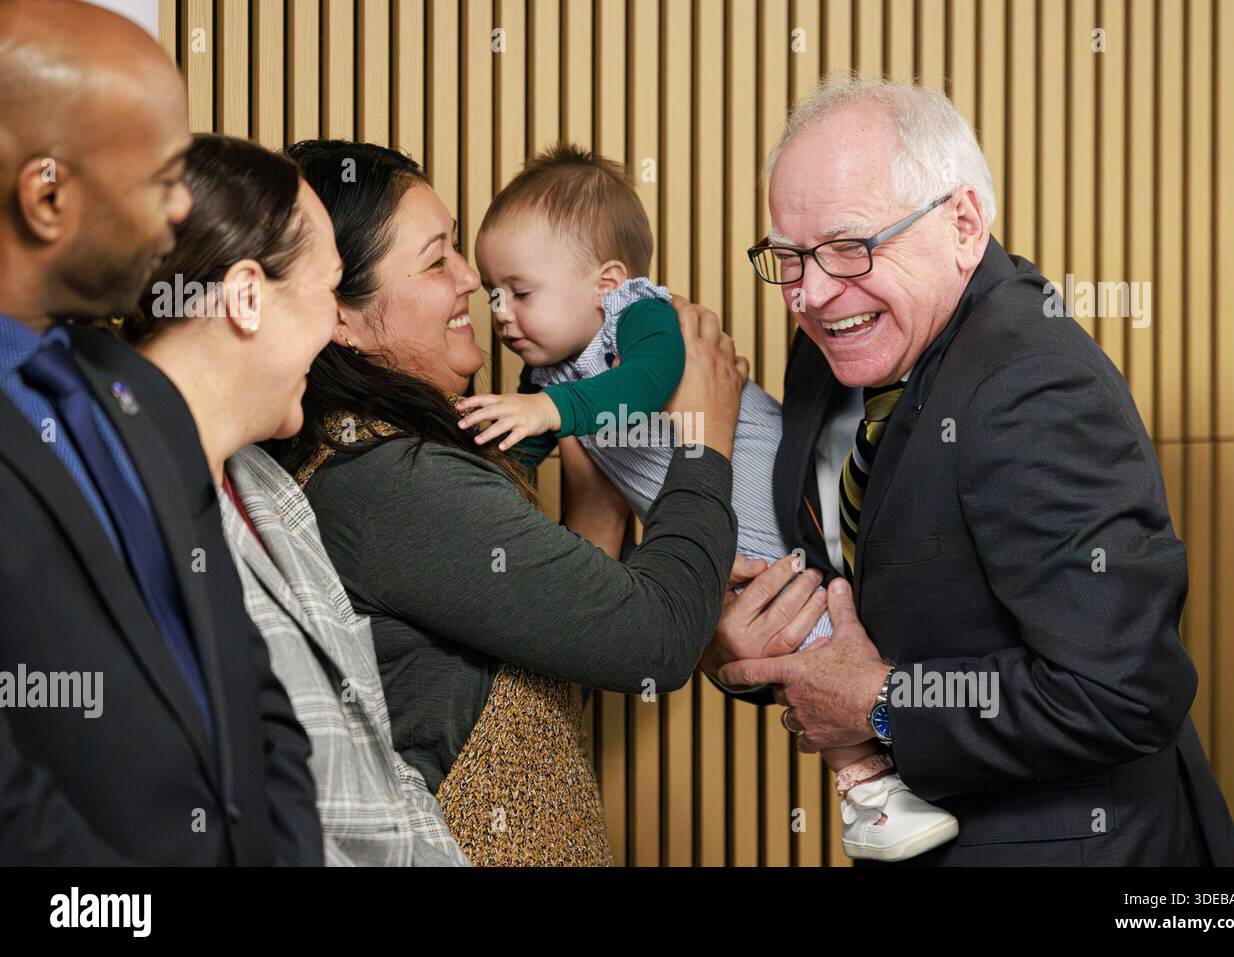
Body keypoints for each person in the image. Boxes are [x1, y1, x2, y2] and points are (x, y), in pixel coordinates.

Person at [706, 76, 1234, 866]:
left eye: (851, 247)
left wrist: (884, 705)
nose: (813, 294)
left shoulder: (1034, 387)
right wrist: (746, 649)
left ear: (962, 222)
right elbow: (851, 608)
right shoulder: (842, 336)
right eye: (789, 257)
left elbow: (1124, 693)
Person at [462, 143, 956, 861]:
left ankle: (888, 781)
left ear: (607, 283)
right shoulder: (551, 377)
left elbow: (649, 381)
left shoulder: (644, 319)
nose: (502, 314)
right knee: (789, 640)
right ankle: (873, 788)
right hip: (724, 533)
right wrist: (495, 447)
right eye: (491, 295)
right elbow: (513, 461)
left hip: (773, 499)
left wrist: (549, 416)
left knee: (827, 635)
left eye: (520, 291)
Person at [269, 140, 746, 866]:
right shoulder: (395, 481)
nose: (473, 284)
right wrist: (705, 437)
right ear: (344, 315)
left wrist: (597, 507)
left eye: (459, 248)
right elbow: (658, 641)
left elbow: (528, 695)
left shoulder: (366, 454)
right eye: (437, 260)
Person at [0, 0, 321, 864]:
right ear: (48, 196)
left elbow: (249, 684)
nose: (183, 210)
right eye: (161, 179)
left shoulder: (138, 394)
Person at [121, 133, 468, 867]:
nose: (335, 328)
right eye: (327, 288)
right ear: (247, 296)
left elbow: (380, 773)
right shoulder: (107, 509)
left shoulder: (268, 486)